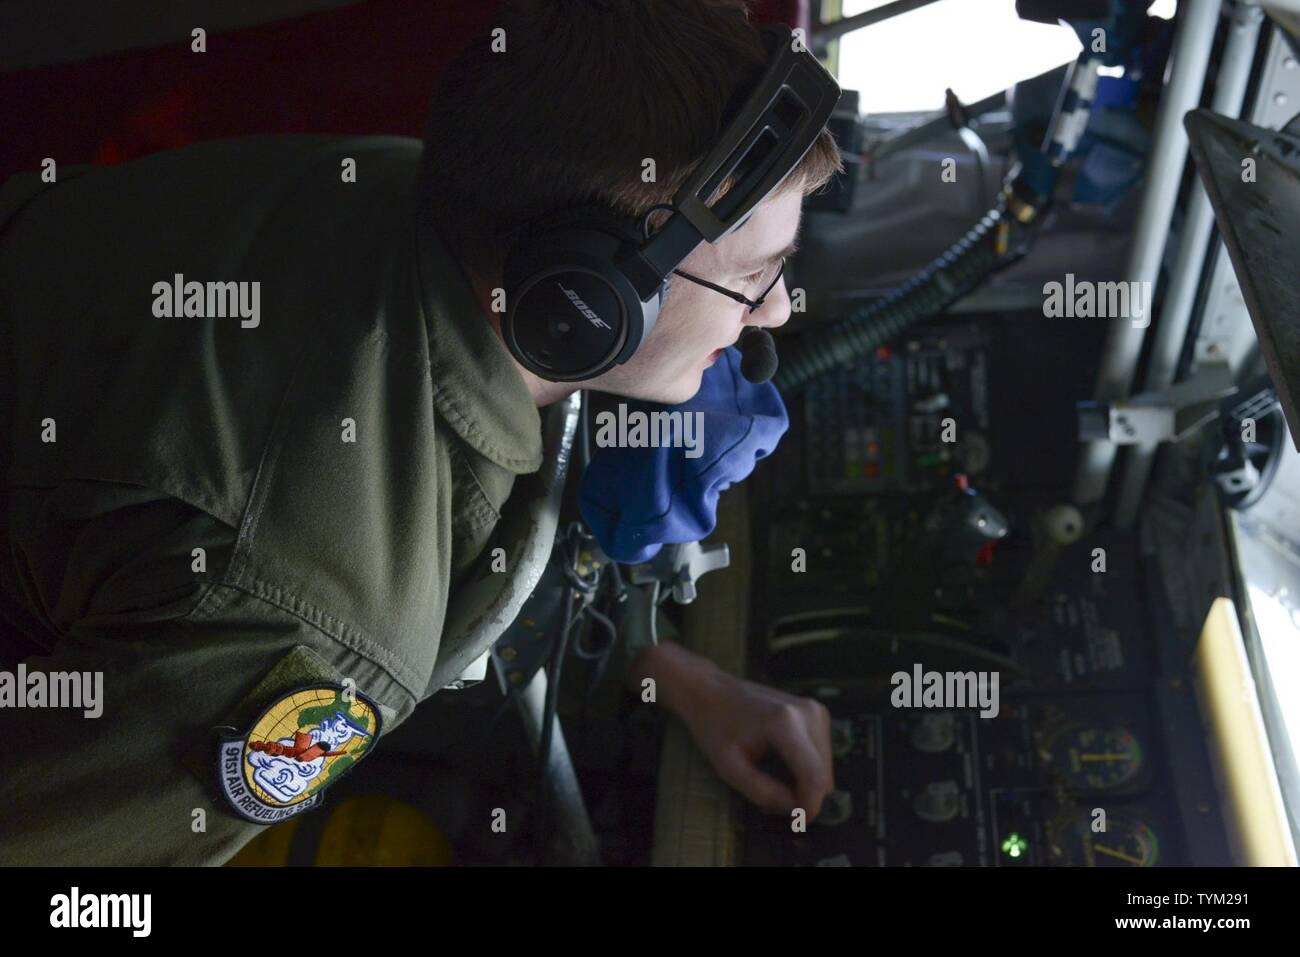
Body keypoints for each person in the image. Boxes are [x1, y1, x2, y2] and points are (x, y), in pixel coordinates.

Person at [0, 0, 841, 865]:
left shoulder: (415, 186)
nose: (773, 313)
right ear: (588, 302)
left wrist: (670, 670)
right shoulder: (322, 623)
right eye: (753, 278)